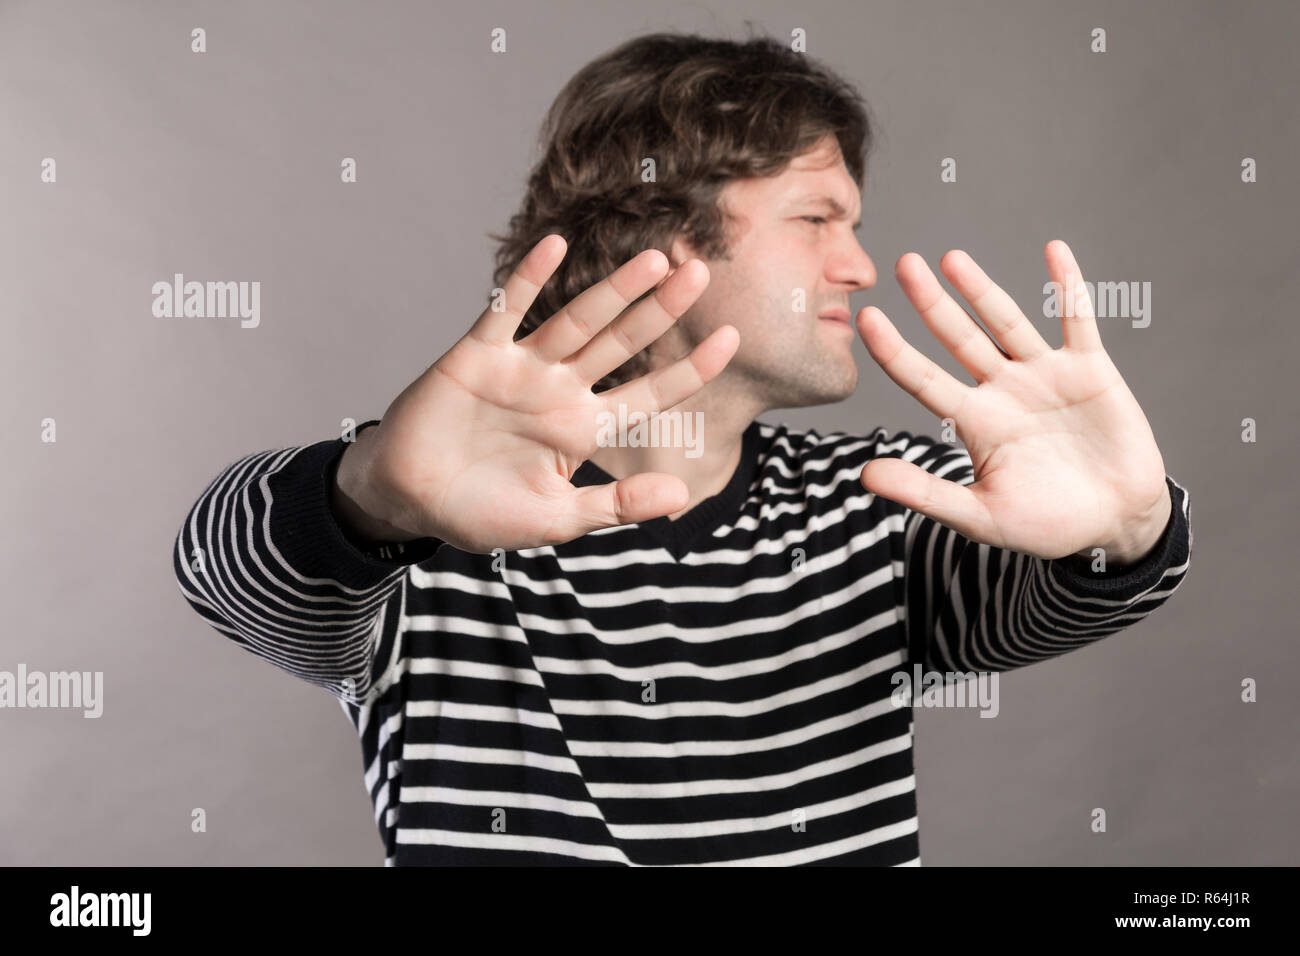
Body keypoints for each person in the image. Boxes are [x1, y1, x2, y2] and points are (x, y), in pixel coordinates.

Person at [173, 33, 1191, 865]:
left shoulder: (876, 500)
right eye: (816, 218)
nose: (859, 264)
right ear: (663, 234)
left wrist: (1128, 529)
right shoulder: (442, 512)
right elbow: (228, 576)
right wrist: (372, 498)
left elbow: (1040, 596)